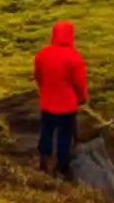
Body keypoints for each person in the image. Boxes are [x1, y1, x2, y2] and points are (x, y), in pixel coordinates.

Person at [33, 20, 88, 178]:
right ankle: (62, 166)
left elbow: (38, 76)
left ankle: (44, 160)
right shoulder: (75, 58)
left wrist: (43, 88)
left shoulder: (43, 54)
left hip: (47, 103)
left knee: (46, 131)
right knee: (65, 135)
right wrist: (82, 98)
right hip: (67, 106)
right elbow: (80, 83)